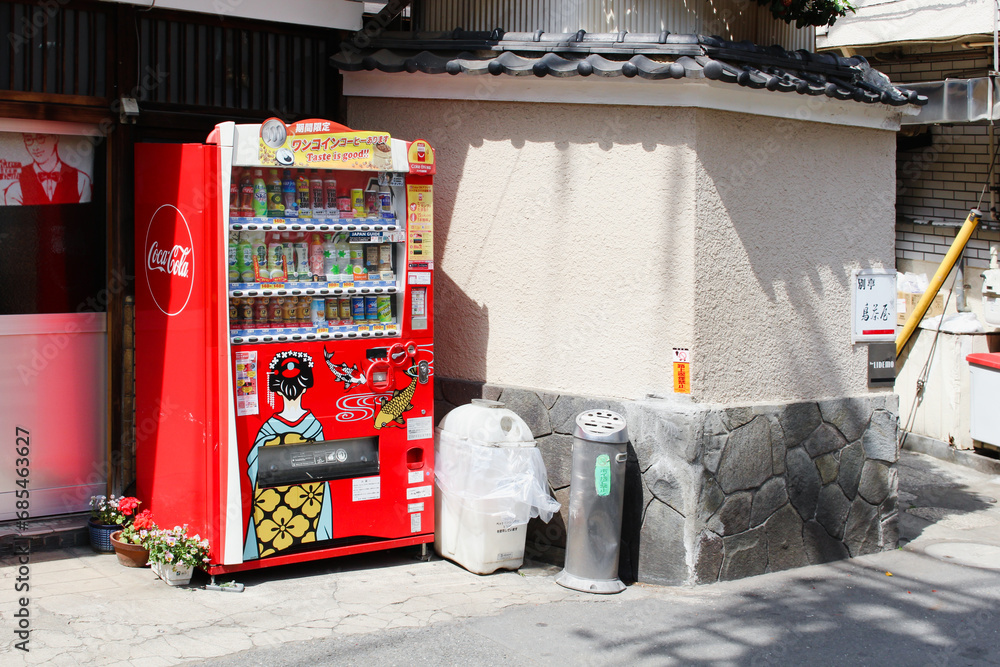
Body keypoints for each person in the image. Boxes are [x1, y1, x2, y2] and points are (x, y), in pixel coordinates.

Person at [243, 350, 333, 560]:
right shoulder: (314, 425)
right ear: (307, 385)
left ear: (276, 388)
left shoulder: (267, 428)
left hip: (270, 515)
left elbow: (252, 464)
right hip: (309, 507)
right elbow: (328, 469)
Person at [3, 133, 91, 206]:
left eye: (40, 138)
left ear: (55, 138)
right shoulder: (16, 186)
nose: (35, 147)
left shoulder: (81, 180)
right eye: (29, 140)